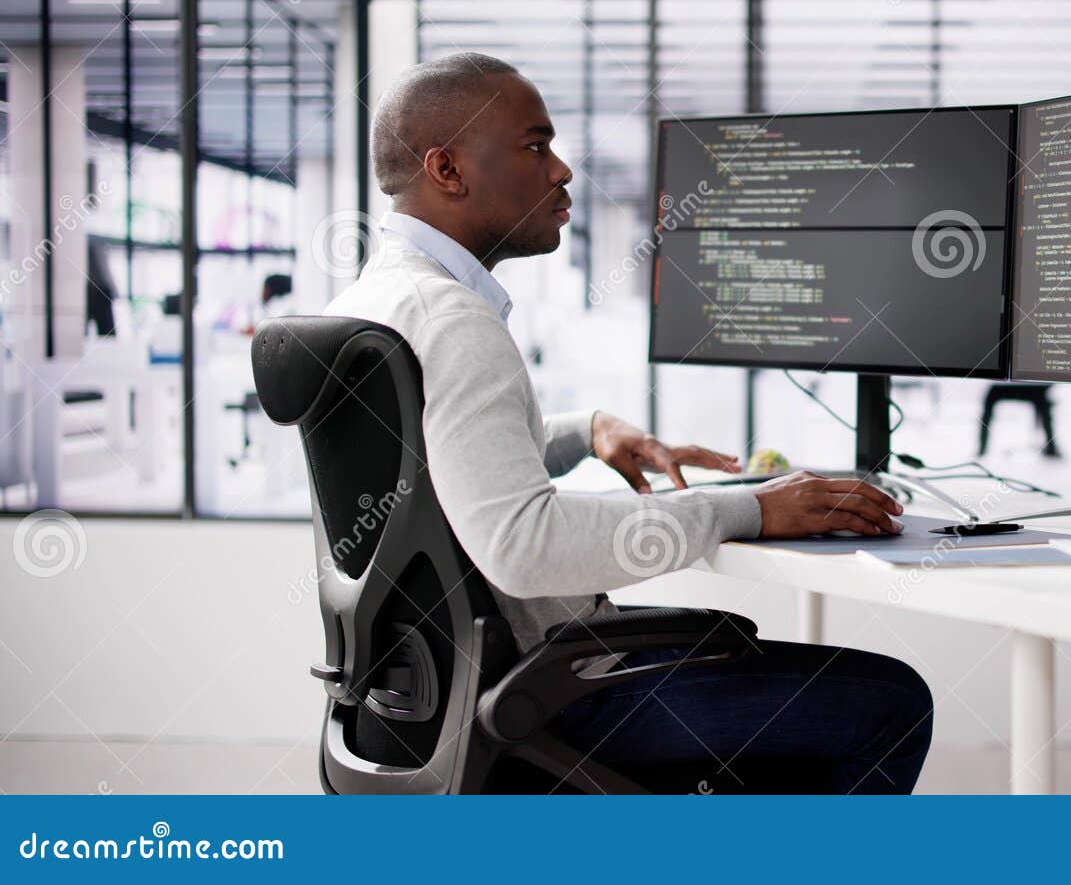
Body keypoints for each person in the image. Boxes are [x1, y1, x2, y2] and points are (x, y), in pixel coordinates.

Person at [324, 53, 932, 794]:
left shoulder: (372, 304)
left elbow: (429, 475)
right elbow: (521, 546)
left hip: (433, 690)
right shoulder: (454, 320)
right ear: (447, 170)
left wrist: (587, 431)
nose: (561, 172)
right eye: (534, 146)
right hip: (546, 695)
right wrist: (752, 508)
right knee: (888, 704)